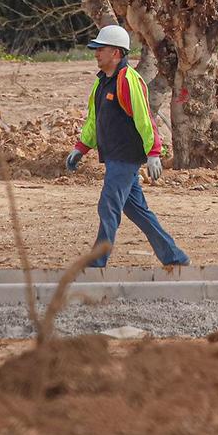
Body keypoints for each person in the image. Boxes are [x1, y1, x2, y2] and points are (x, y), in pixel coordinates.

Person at [65, 24, 189, 272]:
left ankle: (98, 260)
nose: (96, 53)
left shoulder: (129, 81)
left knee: (108, 204)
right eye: (96, 49)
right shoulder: (101, 84)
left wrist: (154, 153)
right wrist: (81, 147)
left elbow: (145, 120)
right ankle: (174, 256)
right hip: (112, 157)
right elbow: (93, 120)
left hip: (125, 158)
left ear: (116, 53)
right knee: (138, 211)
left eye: (101, 49)